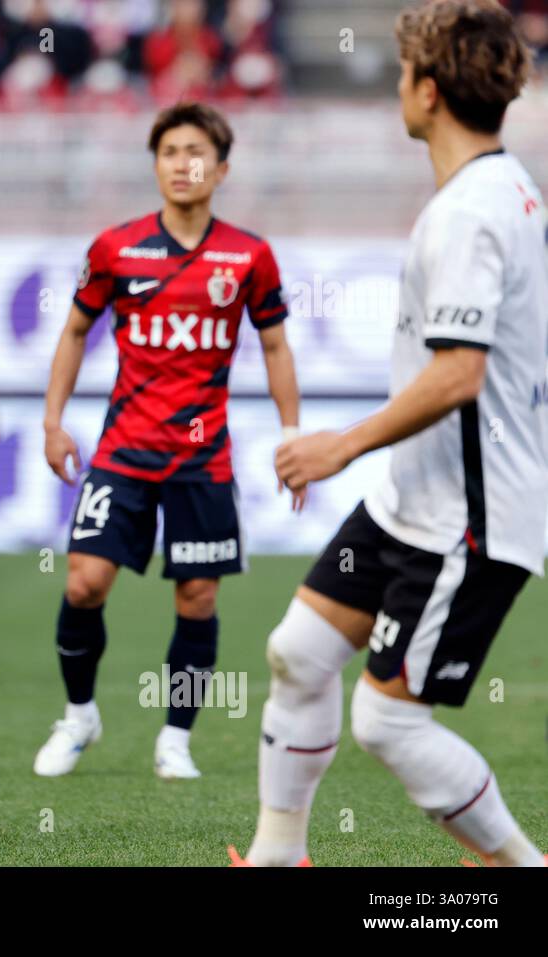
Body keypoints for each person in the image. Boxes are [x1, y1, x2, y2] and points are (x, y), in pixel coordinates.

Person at [232, 0, 548, 868]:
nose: (397, 89)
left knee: (388, 719)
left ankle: (521, 867)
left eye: (405, 74)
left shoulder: (471, 212)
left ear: (431, 90)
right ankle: (277, 856)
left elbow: (459, 373)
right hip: (417, 496)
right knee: (298, 651)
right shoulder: (497, 187)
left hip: (471, 516)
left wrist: (339, 444)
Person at [34, 101, 301, 781]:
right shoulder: (115, 248)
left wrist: (293, 434)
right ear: (155, 164)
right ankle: (79, 715)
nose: (183, 163)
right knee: (85, 582)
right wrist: (52, 419)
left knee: (198, 599)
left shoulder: (249, 255)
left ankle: (176, 737)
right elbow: (72, 331)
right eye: (170, 151)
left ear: (222, 167)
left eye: (196, 152)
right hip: (123, 449)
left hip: (203, 457)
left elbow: (274, 344)